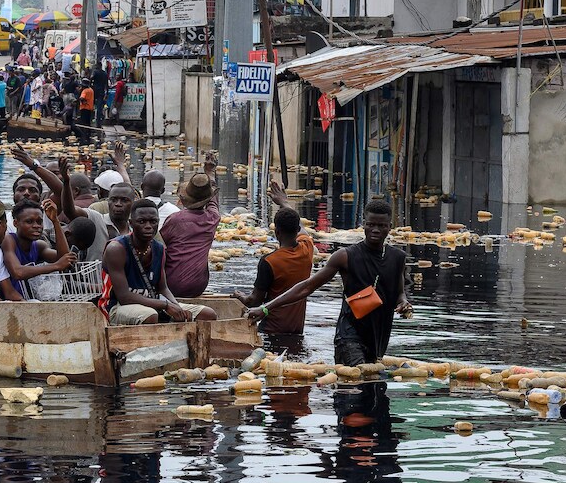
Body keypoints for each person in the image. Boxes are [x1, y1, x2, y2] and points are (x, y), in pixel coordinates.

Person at [246, 199, 413, 366]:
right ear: (364, 224)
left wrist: (404, 303)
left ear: (389, 226)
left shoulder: (397, 258)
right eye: (371, 224)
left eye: (382, 226)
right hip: (349, 336)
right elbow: (307, 287)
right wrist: (265, 308)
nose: (375, 230)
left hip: (378, 337)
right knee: (355, 382)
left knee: (372, 386)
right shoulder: (345, 256)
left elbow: (399, 293)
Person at [99, 199, 217, 325]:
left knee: (207, 314)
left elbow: (163, 288)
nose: (148, 226)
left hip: (153, 304)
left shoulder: (159, 248)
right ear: (131, 223)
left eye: (153, 222)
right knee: (150, 315)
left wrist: (176, 306)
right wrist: (165, 305)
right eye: (142, 222)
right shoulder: (116, 249)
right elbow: (124, 296)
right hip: (117, 307)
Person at [233, 194, 314, 335]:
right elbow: (301, 225)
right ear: (297, 231)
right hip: (296, 329)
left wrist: (239, 296)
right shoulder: (307, 249)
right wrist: (284, 202)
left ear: (276, 232)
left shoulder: (269, 261)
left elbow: (254, 301)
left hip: (271, 329)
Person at [160, 155, 221, 298]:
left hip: (171, 284)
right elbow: (213, 202)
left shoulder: (175, 219)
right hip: (198, 285)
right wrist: (210, 174)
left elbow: (159, 245)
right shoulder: (213, 218)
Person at [2, 199, 76, 298]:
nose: (36, 226)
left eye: (39, 222)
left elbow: (64, 258)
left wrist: (55, 220)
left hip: (28, 300)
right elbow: (17, 272)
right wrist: (56, 266)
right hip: (7, 302)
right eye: (29, 221)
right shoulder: (9, 240)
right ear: (16, 223)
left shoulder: (39, 245)